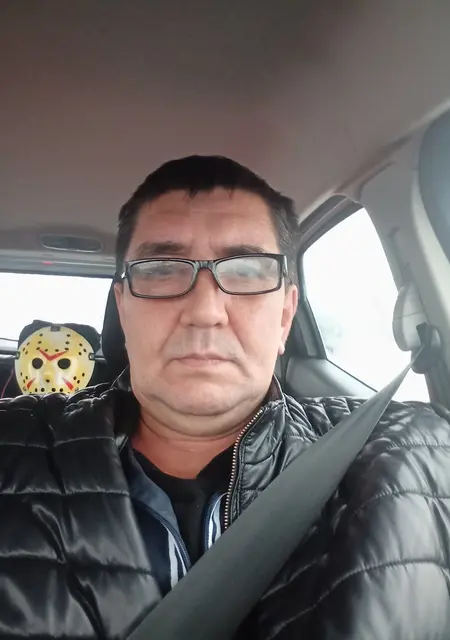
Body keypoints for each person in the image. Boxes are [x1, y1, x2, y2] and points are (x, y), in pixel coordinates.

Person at [1, 156, 450, 640]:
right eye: (161, 270)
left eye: (247, 270)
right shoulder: (12, 446)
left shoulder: (415, 451)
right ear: (123, 309)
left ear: (285, 314)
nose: (205, 310)